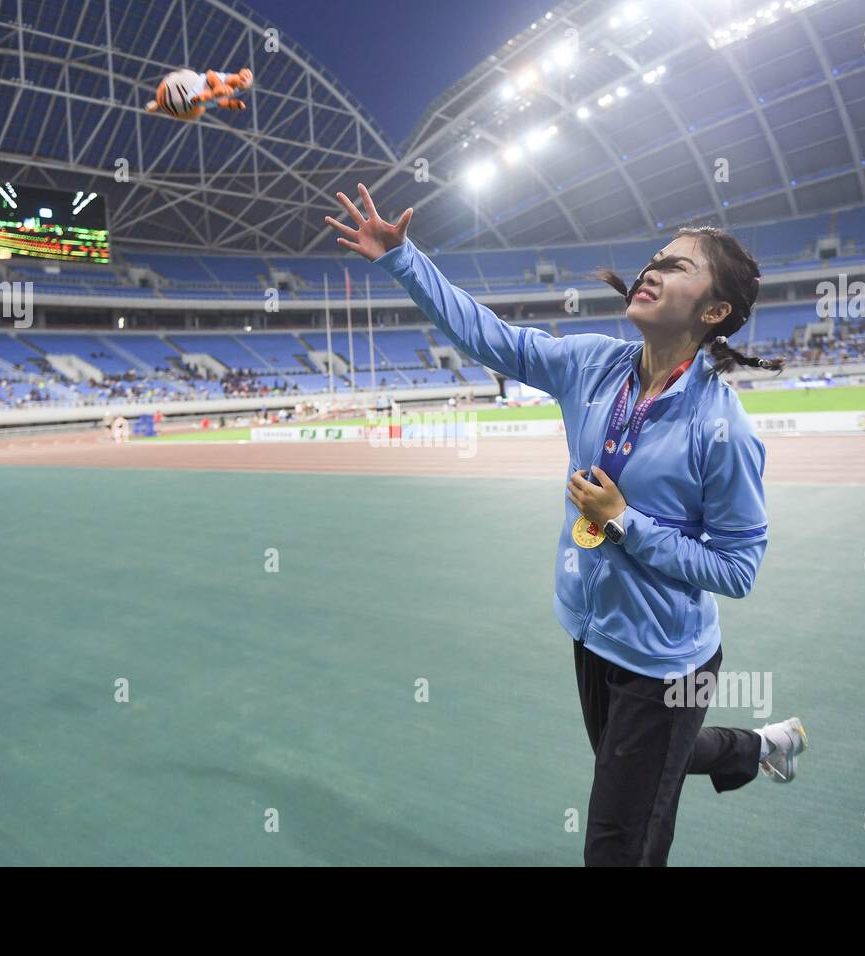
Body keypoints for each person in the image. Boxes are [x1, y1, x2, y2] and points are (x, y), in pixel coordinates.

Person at [327, 183, 809, 867]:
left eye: (676, 266)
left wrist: (624, 521)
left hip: (670, 662)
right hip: (593, 636)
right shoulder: (593, 365)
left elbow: (738, 569)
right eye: (655, 259)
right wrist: (403, 259)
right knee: (650, 761)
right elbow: (488, 336)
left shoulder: (721, 428)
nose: (651, 270)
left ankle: (750, 752)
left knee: (618, 844)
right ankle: (762, 747)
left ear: (715, 310)